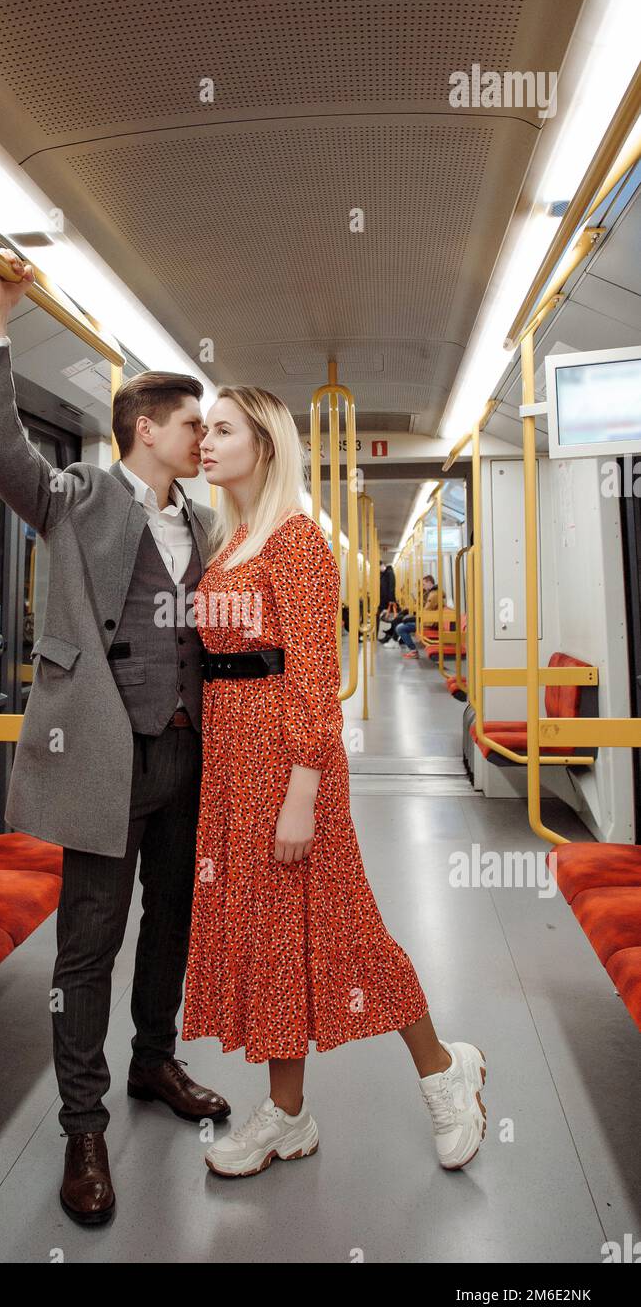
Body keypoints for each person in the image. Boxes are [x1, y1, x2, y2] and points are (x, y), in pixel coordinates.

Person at [0, 249, 230, 1227]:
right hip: (102, 759)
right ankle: (83, 1125)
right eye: (191, 424)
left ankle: (152, 1060)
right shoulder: (76, 495)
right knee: (88, 940)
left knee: (171, 921)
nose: (203, 437)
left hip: (180, 747)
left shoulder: (198, 523)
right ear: (145, 428)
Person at [180, 387, 486, 1176]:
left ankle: (445, 1070)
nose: (203, 442)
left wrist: (302, 793)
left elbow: (315, 680)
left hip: (290, 766)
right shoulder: (231, 539)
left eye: (221, 431)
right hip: (233, 767)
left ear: (266, 446)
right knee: (272, 938)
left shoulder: (299, 544)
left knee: (349, 930)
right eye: (202, 430)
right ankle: (288, 1112)